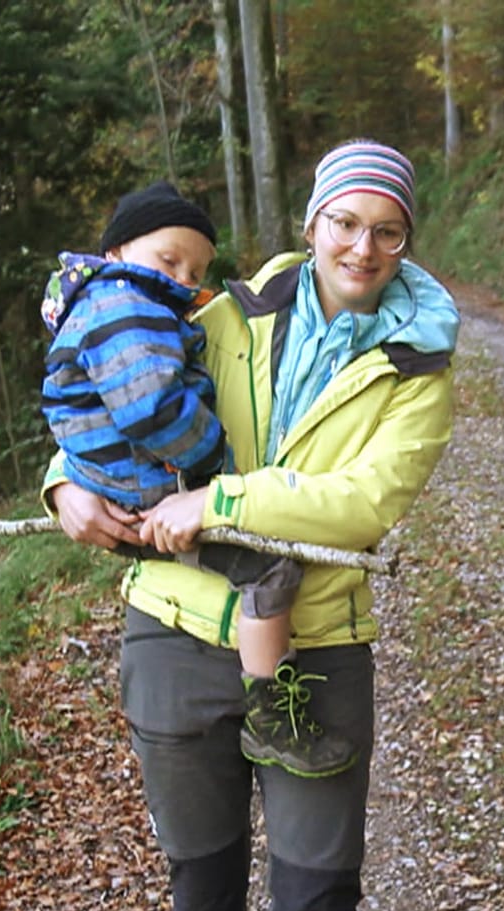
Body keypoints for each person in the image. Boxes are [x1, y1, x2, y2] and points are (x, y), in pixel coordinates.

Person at [46, 140, 458, 911]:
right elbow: (102, 376)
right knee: (202, 878)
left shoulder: (420, 374)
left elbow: (363, 506)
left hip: (318, 648)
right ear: (313, 224)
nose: (363, 246)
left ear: (406, 244)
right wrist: (60, 487)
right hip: (176, 628)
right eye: (346, 223)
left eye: (387, 231)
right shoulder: (222, 311)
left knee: (315, 897)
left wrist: (223, 502)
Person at [38, 181, 347, 778]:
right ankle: (269, 714)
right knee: (271, 567)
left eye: (197, 268)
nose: (183, 278)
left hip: (118, 478)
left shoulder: (114, 302)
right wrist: (211, 467)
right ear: (118, 252)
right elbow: (148, 407)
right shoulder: (125, 306)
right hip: (148, 485)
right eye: (168, 260)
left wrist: (72, 480)